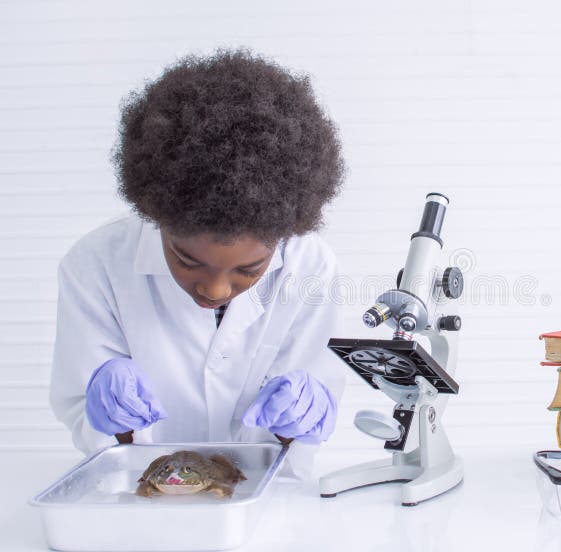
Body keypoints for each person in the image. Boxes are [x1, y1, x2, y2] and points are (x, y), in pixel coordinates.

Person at [49, 48, 346, 478]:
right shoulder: (95, 266)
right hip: (138, 495)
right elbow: (91, 430)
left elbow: (295, 444)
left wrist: (294, 422)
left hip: (265, 502)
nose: (215, 290)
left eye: (248, 269)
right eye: (187, 259)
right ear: (157, 216)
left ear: (282, 237)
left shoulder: (311, 269)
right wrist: (109, 416)